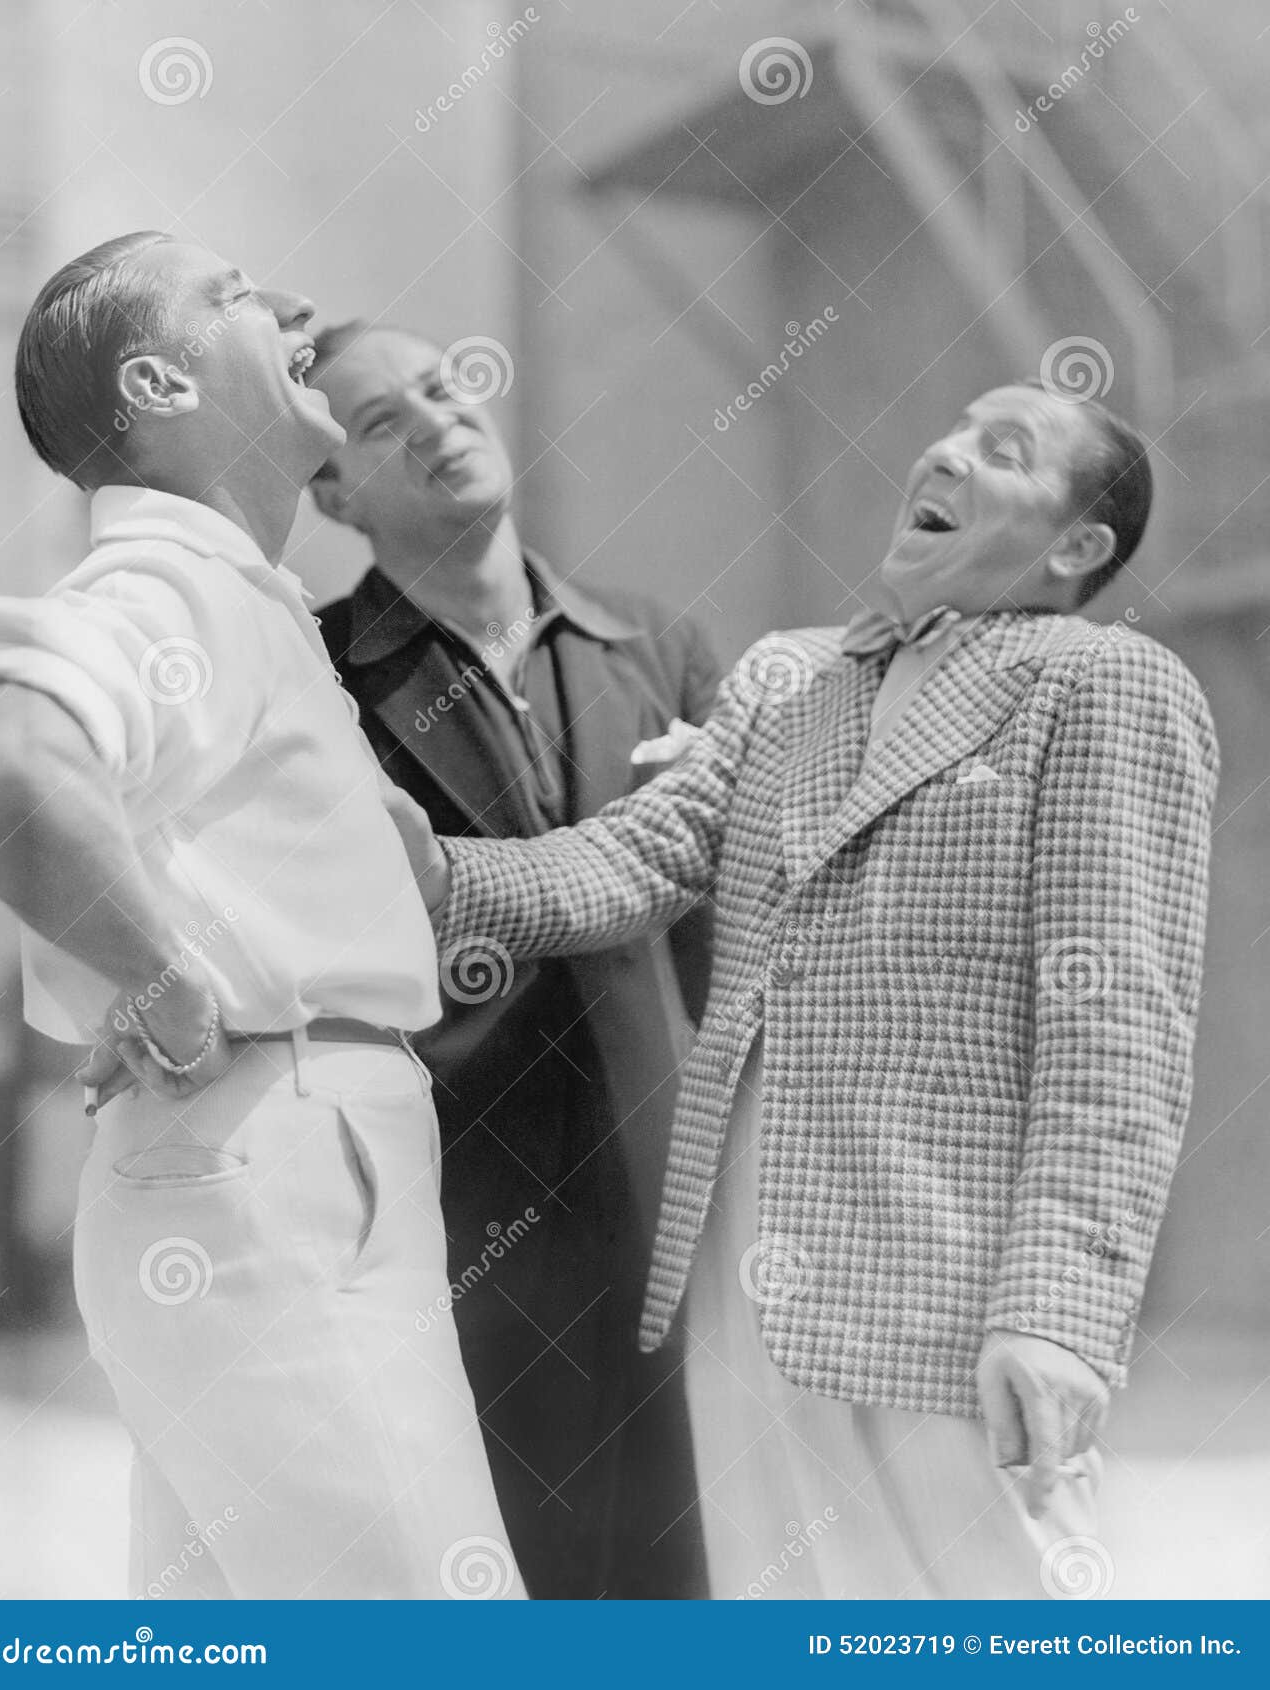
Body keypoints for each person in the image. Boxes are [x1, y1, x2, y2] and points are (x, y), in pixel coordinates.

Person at [395, 379, 1218, 1598]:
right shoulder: (793, 677)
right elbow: (636, 854)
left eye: (1003, 451)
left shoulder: (1106, 685)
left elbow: (1121, 1028)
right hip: (753, 1254)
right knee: (792, 1604)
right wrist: (428, 866)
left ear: (1077, 545)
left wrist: (1058, 1310)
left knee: (1009, 1612)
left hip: (954, 1264)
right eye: (952, 428)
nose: (945, 451)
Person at [0, 233, 521, 1601]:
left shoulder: (243, 600)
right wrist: (159, 974)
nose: (284, 305)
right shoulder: (169, 586)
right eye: (231, 296)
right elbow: (11, 766)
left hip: (258, 1170)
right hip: (266, 1165)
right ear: (161, 385)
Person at [306, 321, 718, 1598]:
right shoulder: (314, 674)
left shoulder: (654, 645)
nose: (437, 422)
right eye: (384, 421)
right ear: (331, 491)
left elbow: (714, 944)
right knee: (498, 1567)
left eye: (441, 388)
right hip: (454, 1196)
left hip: (659, 1184)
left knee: (673, 1564)